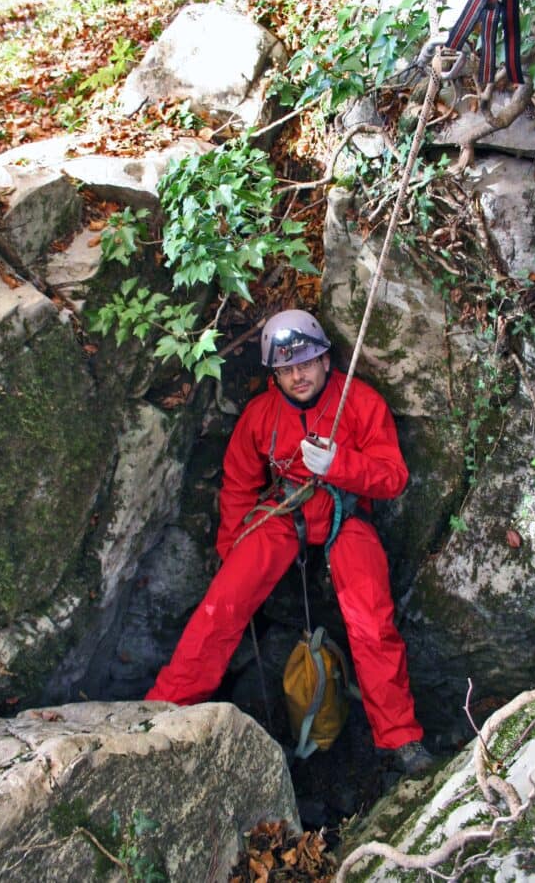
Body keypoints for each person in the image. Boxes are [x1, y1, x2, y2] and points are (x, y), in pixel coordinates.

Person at [146, 309, 432, 775]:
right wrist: (233, 554)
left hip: (344, 513)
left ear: (325, 361)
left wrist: (339, 465)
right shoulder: (262, 415)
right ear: (274, 375)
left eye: (306, 364)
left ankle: (400, 737)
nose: (298, 376)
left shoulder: (359, 403)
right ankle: (168, 705)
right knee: (223, 604)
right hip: (284, 512)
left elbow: (393, 477)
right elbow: (239, 484)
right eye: (286, 369)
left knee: (371, 621)